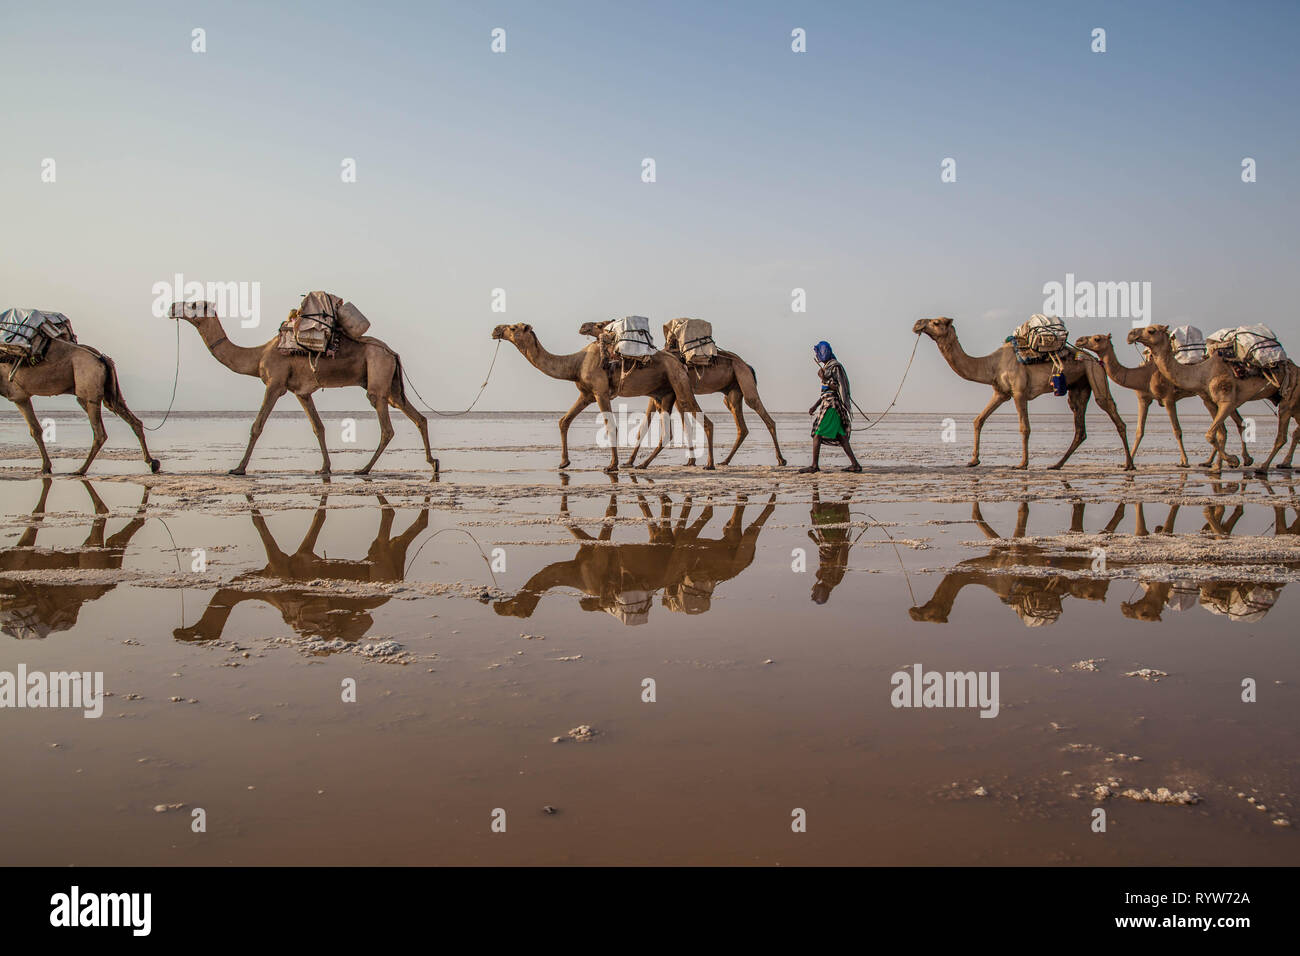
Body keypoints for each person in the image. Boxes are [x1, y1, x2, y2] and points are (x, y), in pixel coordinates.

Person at [801, 341, 862, 473]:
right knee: (841, 437)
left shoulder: (835, 367)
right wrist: (815, 406)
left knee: (817, 434)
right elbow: (825, 391)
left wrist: (824, 379)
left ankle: (814, 466)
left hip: (831, 406)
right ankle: (855, 465)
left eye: (818, 353)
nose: (817, 356)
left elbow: (835, 387)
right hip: (828, 403)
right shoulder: (828, 367)